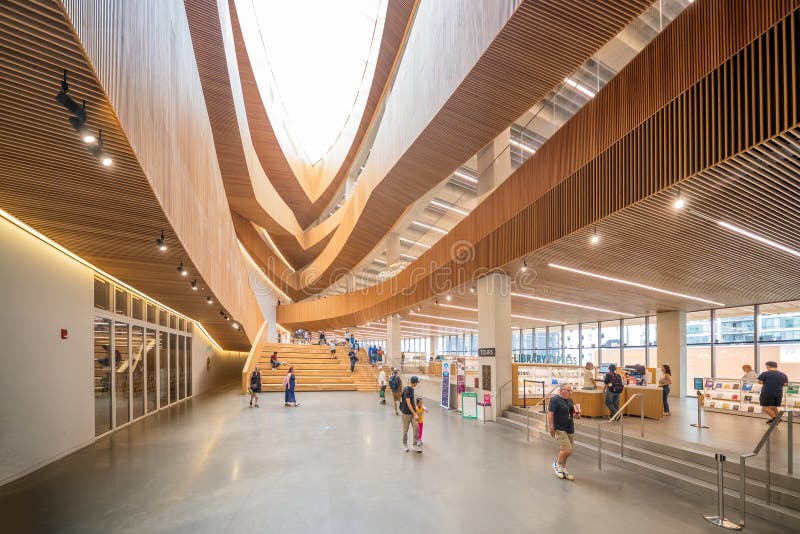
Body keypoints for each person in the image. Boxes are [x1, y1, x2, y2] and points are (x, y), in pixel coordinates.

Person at [548, 384, 579, 480]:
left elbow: (572, 413)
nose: (570, 392)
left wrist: (577, 415)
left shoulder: (570, 400)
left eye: (571, 390)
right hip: (559, 428)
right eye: (568, 390)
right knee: (567, 450)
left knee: (564, 449)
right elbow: (550, 414)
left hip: (569, 427)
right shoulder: (555, 400)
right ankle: (557, 465)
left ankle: (563, 468)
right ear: (561, 391)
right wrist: (551, 427)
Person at [400, 376, 422, 452]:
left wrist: (416, 411)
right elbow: (408, 403)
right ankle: (405, 444)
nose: (417, 384)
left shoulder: (412, 389)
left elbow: (412, 402)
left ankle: (414, 445)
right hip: (406, 413)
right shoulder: (407, 390)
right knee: (405, 429)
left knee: (416, 428)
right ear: (414, 382)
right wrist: (414, 413)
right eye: (417, 383)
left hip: (413, 412)